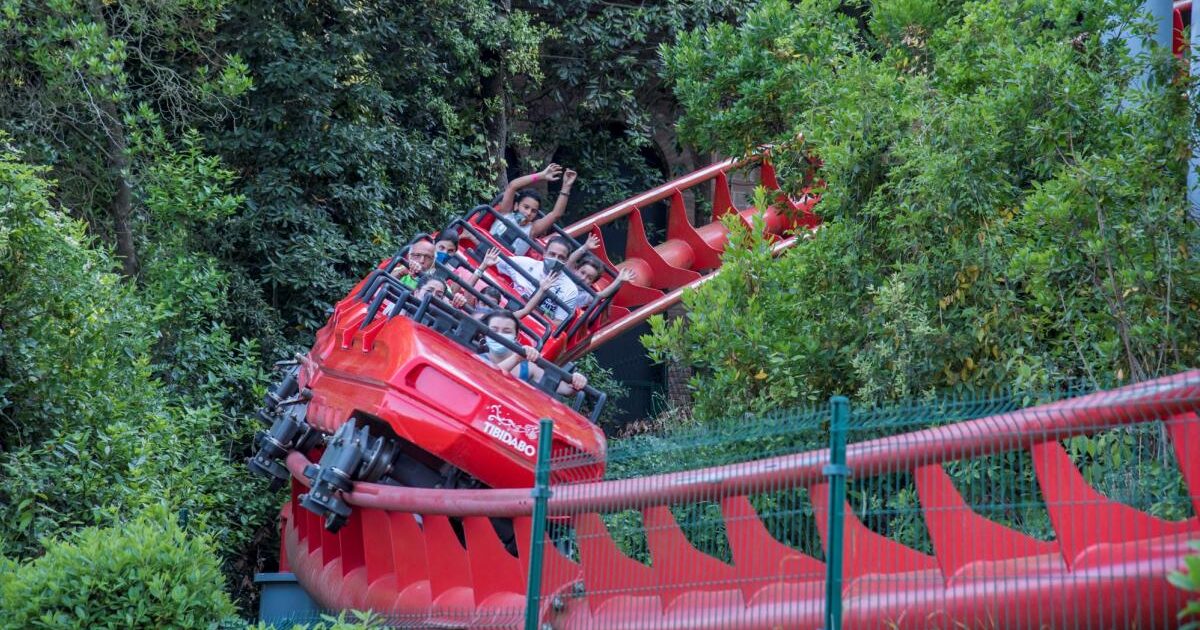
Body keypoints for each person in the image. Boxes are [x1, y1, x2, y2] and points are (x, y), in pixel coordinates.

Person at [480, 309, 588, 394]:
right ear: (485, 332)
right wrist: (516, 358)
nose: (500, 335)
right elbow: (489, 378)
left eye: (506, 331)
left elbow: (563, 389)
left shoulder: (528, 367)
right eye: (494, 330)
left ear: (516, 336)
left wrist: (575, 382)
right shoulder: (476, 356)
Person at [479, 238, 579, 322]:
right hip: (503, 307)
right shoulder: (525, 263)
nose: (555, 259)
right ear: (544, 253)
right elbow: (493, 260)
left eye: (561, 257)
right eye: (552, 254)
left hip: (532, 323)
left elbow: (557, 323)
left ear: (566, 261)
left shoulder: (569, 289)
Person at [491, 164, 577, 255]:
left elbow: (556, 214)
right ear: (516, 206)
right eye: (526, 207)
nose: (528, 213)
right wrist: (542, 175)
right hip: (483, 252)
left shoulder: (532, 229)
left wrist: (566, 186)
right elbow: (512, 186)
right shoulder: (505, 213)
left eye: (533, 211)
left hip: (505, 266)